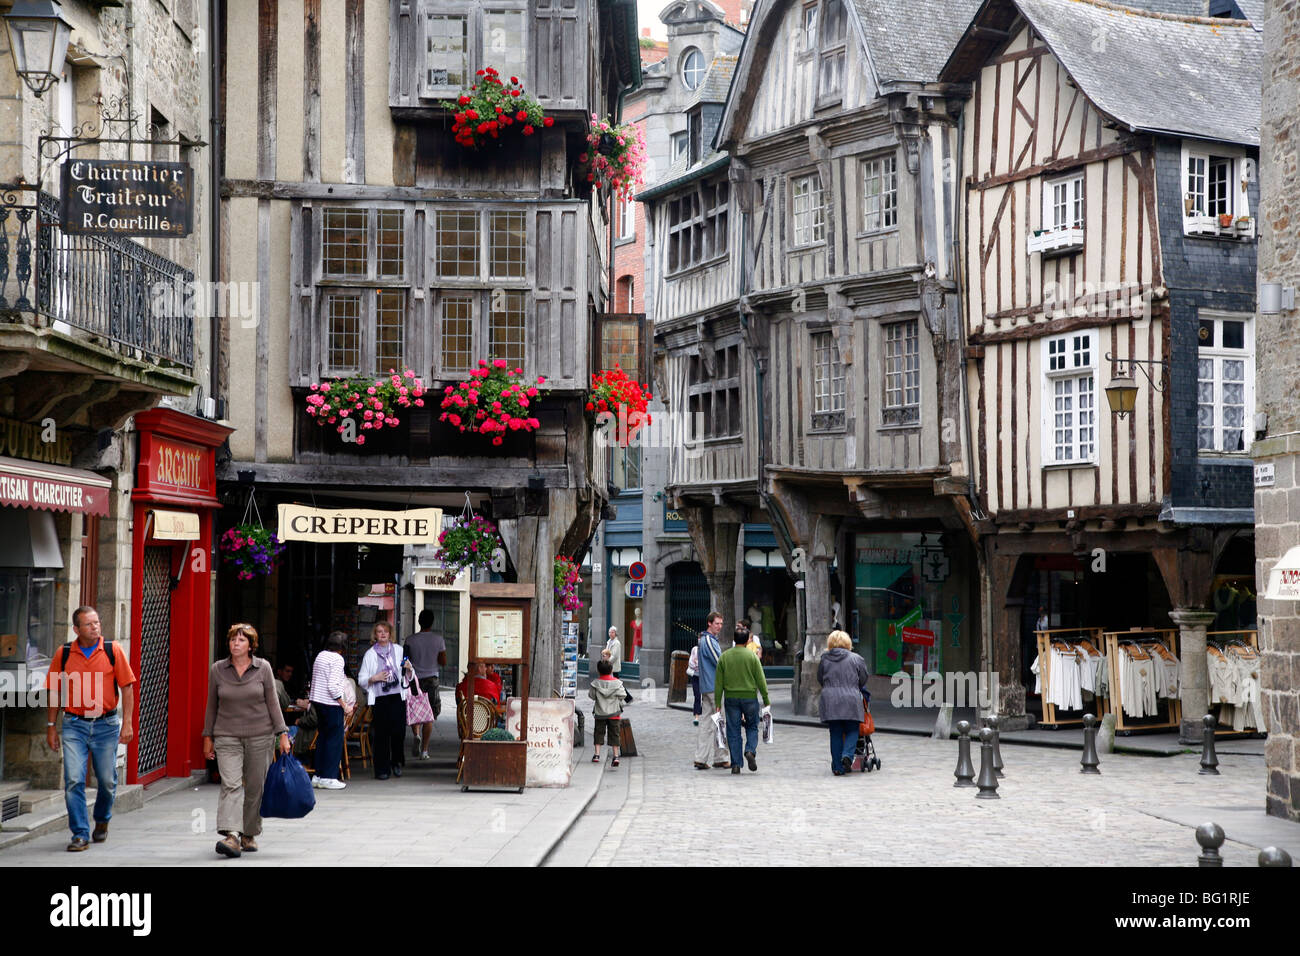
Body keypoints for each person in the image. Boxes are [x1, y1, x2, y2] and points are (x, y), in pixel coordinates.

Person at [44, 606, 136, 852]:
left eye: (97, 622)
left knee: (106, 780)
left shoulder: (112, 650)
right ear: (76, 629)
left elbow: (127, 687)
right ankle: (80, 834)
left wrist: (127, 723)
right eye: (89, 624)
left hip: (106, 725)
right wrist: (51, 726)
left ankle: (102, 819)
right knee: (74, 779)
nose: (95, 627)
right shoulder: (64, 653)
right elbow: (54, 690)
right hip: (74, 725)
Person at [201, 624, 292, 857]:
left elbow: (273, 702)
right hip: (226, 735)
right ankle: (232, 835)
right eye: (233, 640)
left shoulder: (263, 668)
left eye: (241, 640)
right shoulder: (218, 669)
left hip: (260, 736)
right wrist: (207, 736)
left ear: (251, 645)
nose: (236, 644)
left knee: (254, 787)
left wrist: (283, 734)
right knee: (231, 784)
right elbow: (212, 705)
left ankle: (249, 833)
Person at [358, 621, 409, 780]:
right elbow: (361, 679)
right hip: (380, 698)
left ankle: (396, 762)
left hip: (397, 696)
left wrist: (409, 668)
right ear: (375, 634)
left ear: (390, 634)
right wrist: (375, 678)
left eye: (385, 631)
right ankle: (382, 769)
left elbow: (409, 674)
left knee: (398, 732)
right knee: (381, 734)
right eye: (379, 631)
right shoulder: (370, 654)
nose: (382, 634)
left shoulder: (399, 650)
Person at [715, 629, 770, 774]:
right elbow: (761, 680)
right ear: (747, 641)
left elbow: (718, 682)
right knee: (752, 726)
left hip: (731, 697)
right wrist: (766, 699)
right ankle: (750, 750)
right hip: (750, 697)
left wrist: (717, 703)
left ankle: (735, 764)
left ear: (734, 639)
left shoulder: (725, 657)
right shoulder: (752, 657)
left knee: (733, 730)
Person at [817, 630, 871, 775]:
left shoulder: (824, 659)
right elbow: (864, 678)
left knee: (835, 732)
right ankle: (847, 755)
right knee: (852, 729)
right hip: (851, 699)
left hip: (830, 700)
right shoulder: (856, 658)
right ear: (848, 643)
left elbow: (820, 678)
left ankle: (837, 767)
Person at [308, 631, 354, 790]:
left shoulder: (320, 655)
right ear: (343, 647)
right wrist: (344, 705)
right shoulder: (338, 659)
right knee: (334, 740)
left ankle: (318, 775)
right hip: (331, 703)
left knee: (322, 738)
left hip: (318, 701)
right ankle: (329, 776)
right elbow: (333, 686)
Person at [404, 609, 447, 759]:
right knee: (430, 715)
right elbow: (443, 662)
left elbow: (404, 661)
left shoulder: (410, 640)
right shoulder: (438, 639)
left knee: (415, 709)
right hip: (432, 679)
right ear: (432, 622)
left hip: (414, 679)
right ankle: (425, 751)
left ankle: (416, 734)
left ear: (419, 621)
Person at [693, 612, 729, 770]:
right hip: (714, 687)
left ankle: (701, 758)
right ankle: (720, 757)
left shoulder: (705, 639)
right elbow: (719, 661)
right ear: (709, 623)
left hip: (707, 686)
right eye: (717, 623)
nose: (719, 627)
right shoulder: (708, 640)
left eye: (721, 624)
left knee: (706, 722)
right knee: (719, 722)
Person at [587, 659, 626, 768]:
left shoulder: (595, 684)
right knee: (615, 734)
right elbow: (623, 695)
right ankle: (616, 756)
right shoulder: (617, 683)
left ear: (599, 671)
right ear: (611, 670)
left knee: (598, 733)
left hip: (600, 713)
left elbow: (591, 696)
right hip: (614, 713)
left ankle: (597, 754)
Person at [686, 643, 701, 725]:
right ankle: (696, 716)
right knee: (697, 696)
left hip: (705, 677)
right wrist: (698, 664)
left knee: (705, 697)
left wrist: (697, 663)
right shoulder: (695, 649)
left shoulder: (707, 650)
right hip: (695, 676)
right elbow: (691, 663)